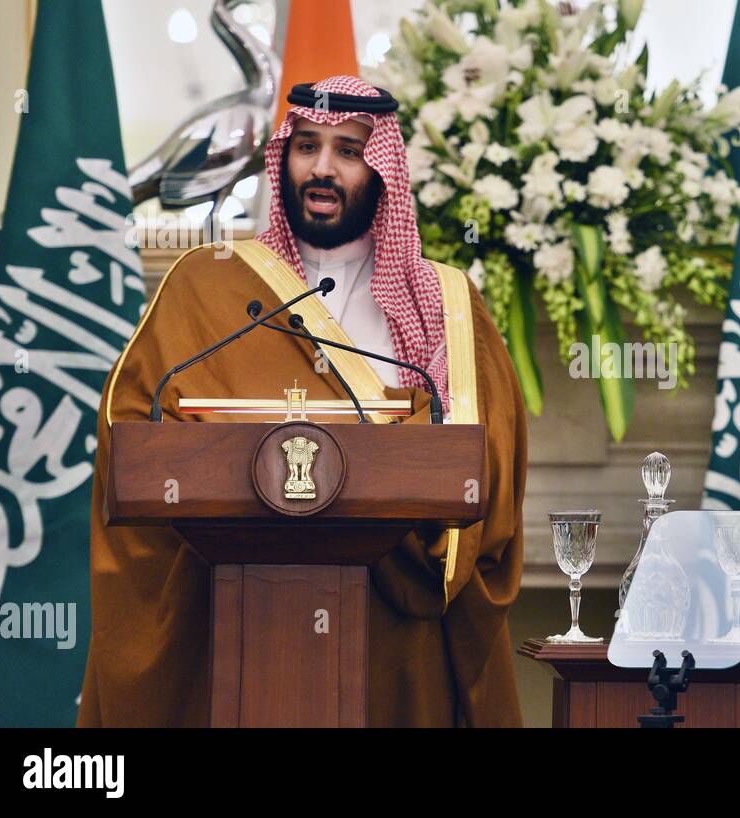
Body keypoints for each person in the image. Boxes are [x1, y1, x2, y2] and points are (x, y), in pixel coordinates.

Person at [78, 76, 527, 727]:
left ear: (384, 169)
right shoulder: (206, 285)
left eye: (348, 149)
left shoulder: (442, 308)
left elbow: (489, 470)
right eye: (306, 145)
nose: (321, 167)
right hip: (228, 626)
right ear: (281, 155)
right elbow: (132, 436)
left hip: (387, 635)